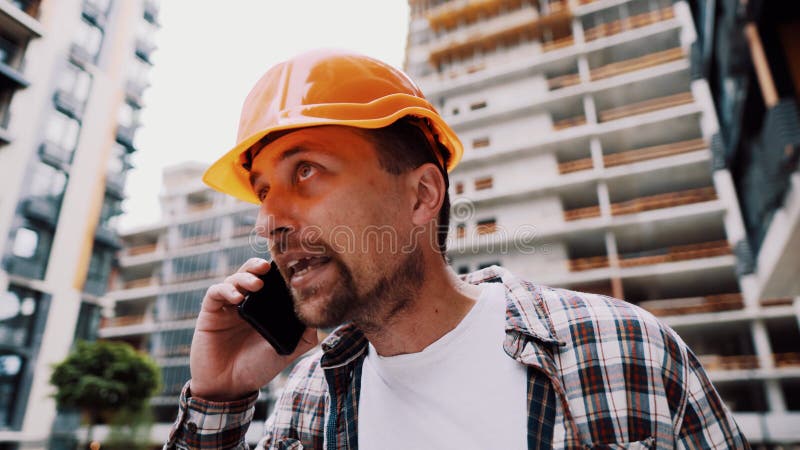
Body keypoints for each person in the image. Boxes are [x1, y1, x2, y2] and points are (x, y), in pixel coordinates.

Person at [164, 49, 749, 450]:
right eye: (263, 191)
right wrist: (219, 398)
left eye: (307, 171)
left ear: (422, 196)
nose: (269, 220)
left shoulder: (625, 351)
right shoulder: (304, 402)